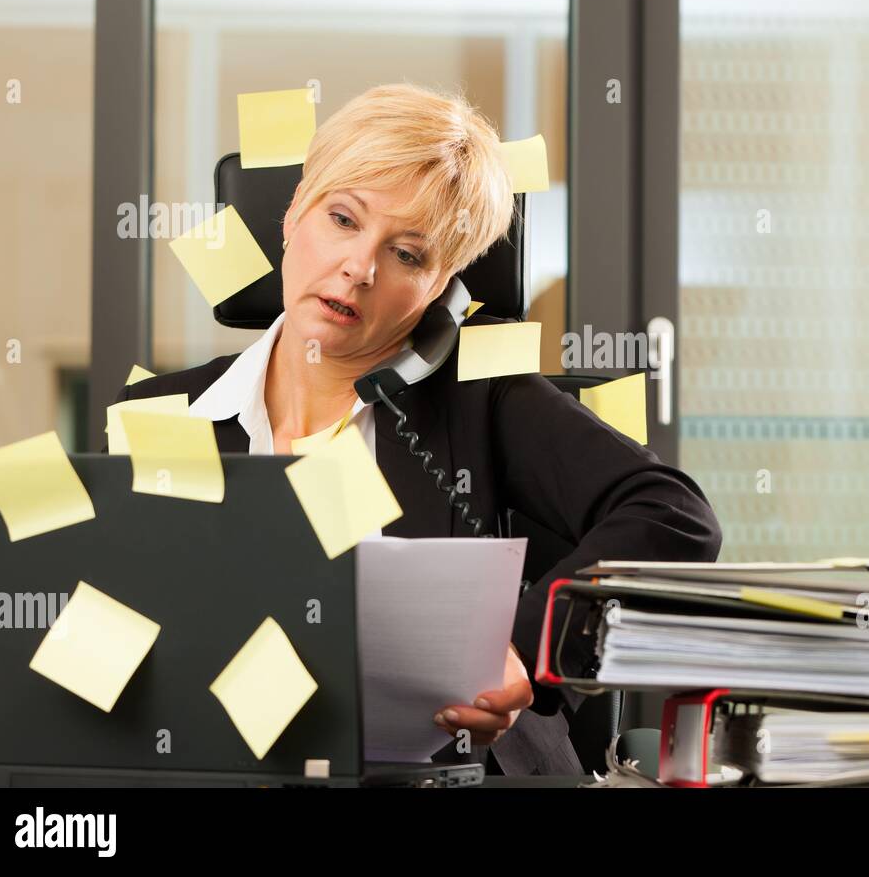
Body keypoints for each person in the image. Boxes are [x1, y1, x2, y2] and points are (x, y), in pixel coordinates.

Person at [107, 83, 722, 774]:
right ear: (293, 214)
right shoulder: (164, 415)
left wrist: (526, 648)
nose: (359, 268)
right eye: (343, 219)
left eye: (408, 255)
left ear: (442, 287)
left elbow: (676, 517)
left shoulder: (482, 396)